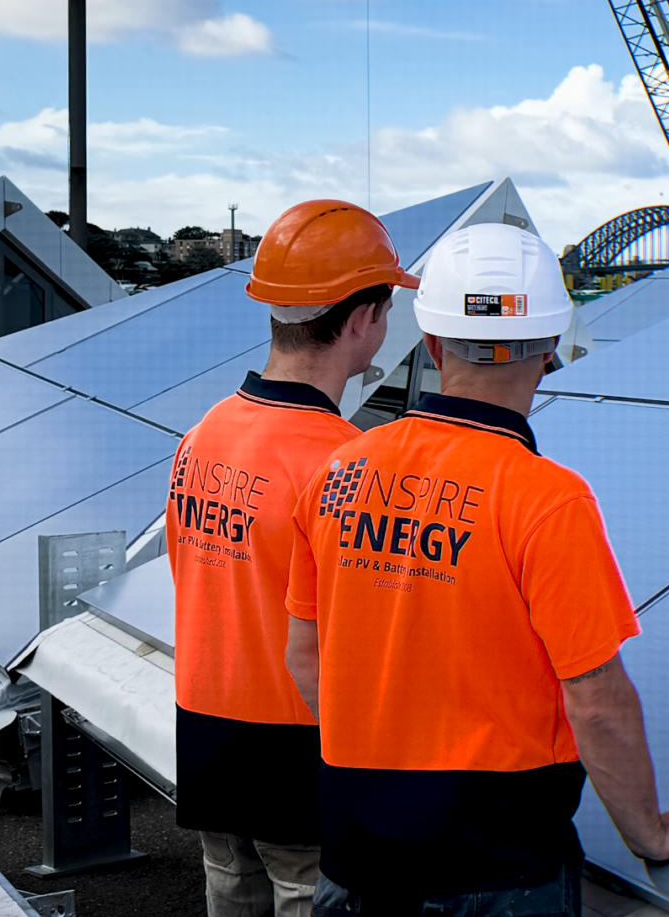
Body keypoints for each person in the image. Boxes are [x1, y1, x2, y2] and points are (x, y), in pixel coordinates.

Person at [284, 223, 669, 915]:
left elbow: (305, 659)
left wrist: (379, 777)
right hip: (497, 870)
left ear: (433, 343)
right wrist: (653, 830)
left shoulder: (339, 470)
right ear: (552, 347)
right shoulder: (546, 498)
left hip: (356, 860)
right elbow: (595, 698)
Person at [167, 199, 419, 917]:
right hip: (298, 747)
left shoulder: (201, 435)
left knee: (231, 893)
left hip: (207, 735)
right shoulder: (344, 463)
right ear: (365, 318)